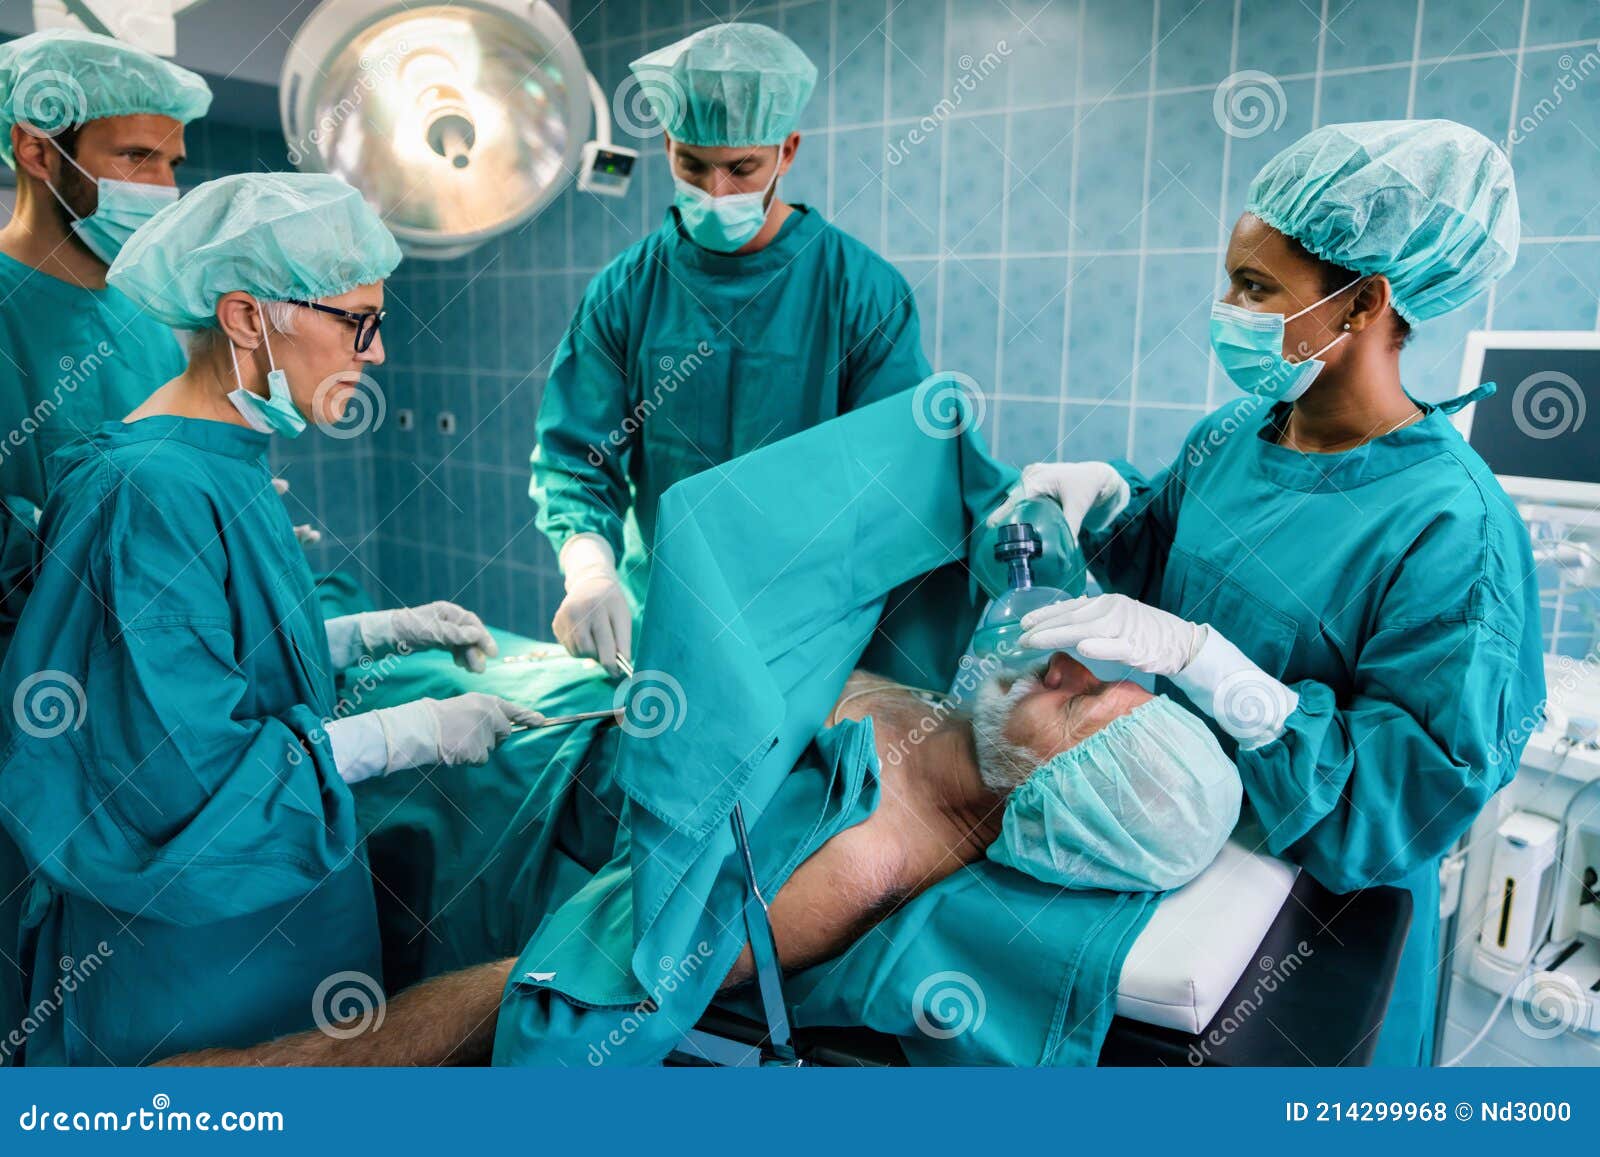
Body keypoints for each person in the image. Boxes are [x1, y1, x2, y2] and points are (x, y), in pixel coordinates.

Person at [994, 119, 1544, 1065]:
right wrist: (1108, 501)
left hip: (1323, 930)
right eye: (1230, 282)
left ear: (1363, 302)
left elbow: (1401, 803)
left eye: (1255, 288)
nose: (1227, 310)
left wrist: (1217, 671)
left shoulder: (1455, 525)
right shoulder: (1239, 433)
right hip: (1182, 859)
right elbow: (1161, 554)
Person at [0, 172, 540, 1065]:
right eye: (356, 322)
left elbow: (206, 655)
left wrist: (374, 632)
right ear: (249, 318)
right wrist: (412, 732)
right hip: (192, 961)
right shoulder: (146, 489)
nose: (376, 351)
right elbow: (178, 770)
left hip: (280, 929)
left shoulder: (228, 459)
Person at [157, 652, 1240, 1066]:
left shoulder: (850, 861)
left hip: (510, 787)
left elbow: (560, 979)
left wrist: (261, 1080)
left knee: (237, 757)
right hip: (556, 686)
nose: (1063, 664)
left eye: (1080, 702)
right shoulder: (960, 713)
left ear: (1046, 794)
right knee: (329, 658)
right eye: (1098, 672)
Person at [531, 21, 932, 674]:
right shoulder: (626, 291)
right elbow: (576, 455)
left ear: (787, 151)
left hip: (817, 634)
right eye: (693, 165)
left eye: (742, 168)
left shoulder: (861, 291)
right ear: (667, 145)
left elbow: (897, 473)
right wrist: (588, 567)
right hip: (666, 621)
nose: (716, 192)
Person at [0, 29, 212, 665]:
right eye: (137, 156)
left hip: (149, 667)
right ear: (38, 152)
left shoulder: (151, 320)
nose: (163, 188)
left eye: (173, 164)